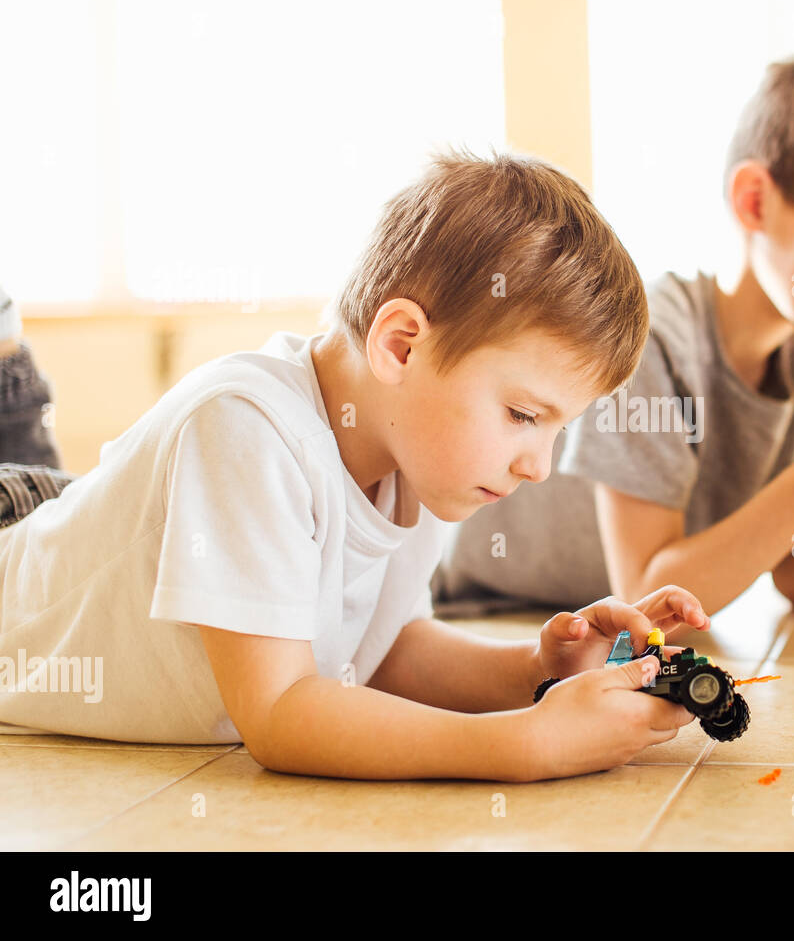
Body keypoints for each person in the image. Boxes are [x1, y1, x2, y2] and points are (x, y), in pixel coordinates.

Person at [0, 153, 713, 782]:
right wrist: (526, 743)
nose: (539, 466)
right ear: (401, 346)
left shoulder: (412, 462)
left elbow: (380, 653)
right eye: (525, 416)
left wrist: (537, 673)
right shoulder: (247, 428)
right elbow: (280, 713)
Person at [434, 49, 794, 617]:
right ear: (755, 202)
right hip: (495, 616)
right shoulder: (652, 340)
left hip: (596, 624)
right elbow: (647, 600)